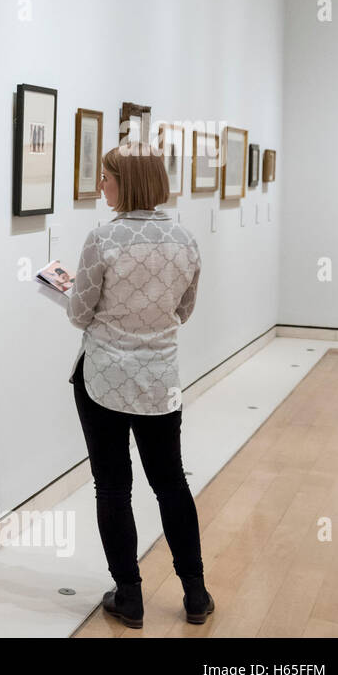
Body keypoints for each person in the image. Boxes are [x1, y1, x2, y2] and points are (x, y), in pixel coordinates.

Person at [65, 142, 214, 629]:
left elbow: (79, 313)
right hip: (159, 381)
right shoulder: (185, 239)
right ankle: (195, 593)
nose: (101, 185)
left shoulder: (102, 240)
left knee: (113, 487)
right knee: (170, 481)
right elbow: (185, 311)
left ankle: (128, 596)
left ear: (126, 182)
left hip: (104, 378)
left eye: (106, 177)